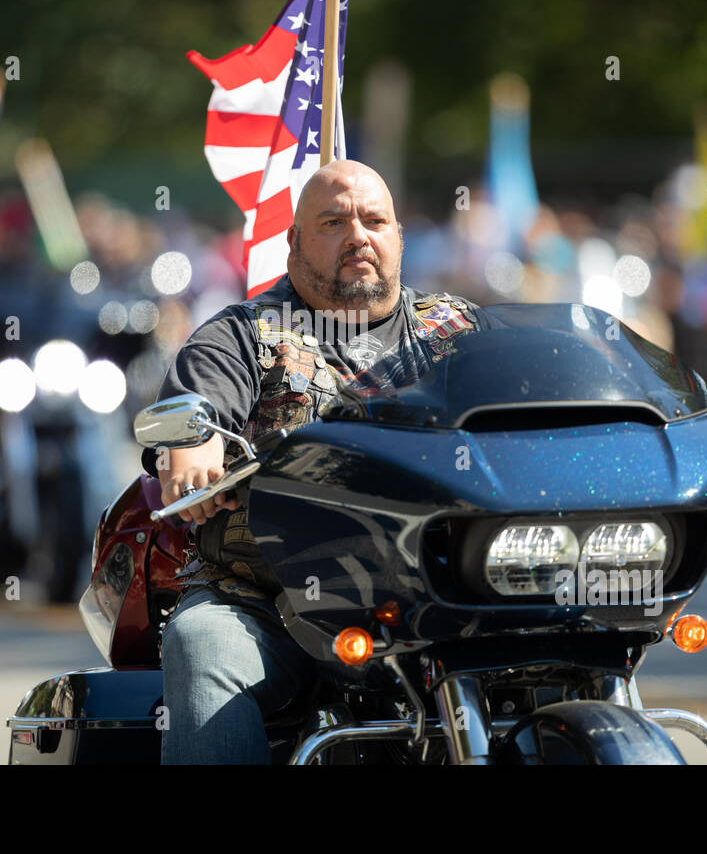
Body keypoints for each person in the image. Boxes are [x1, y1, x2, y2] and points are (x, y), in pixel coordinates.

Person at [142, 159, 488, 763]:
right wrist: (194, 447)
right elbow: (196, 408)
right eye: (333, 222)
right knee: (203, 646)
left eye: (374, 220)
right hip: (272, 604)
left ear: (398, 237)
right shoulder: (242, 335)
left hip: (445, 598)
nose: (358, 235)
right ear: (294, 244)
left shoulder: (458, 329)